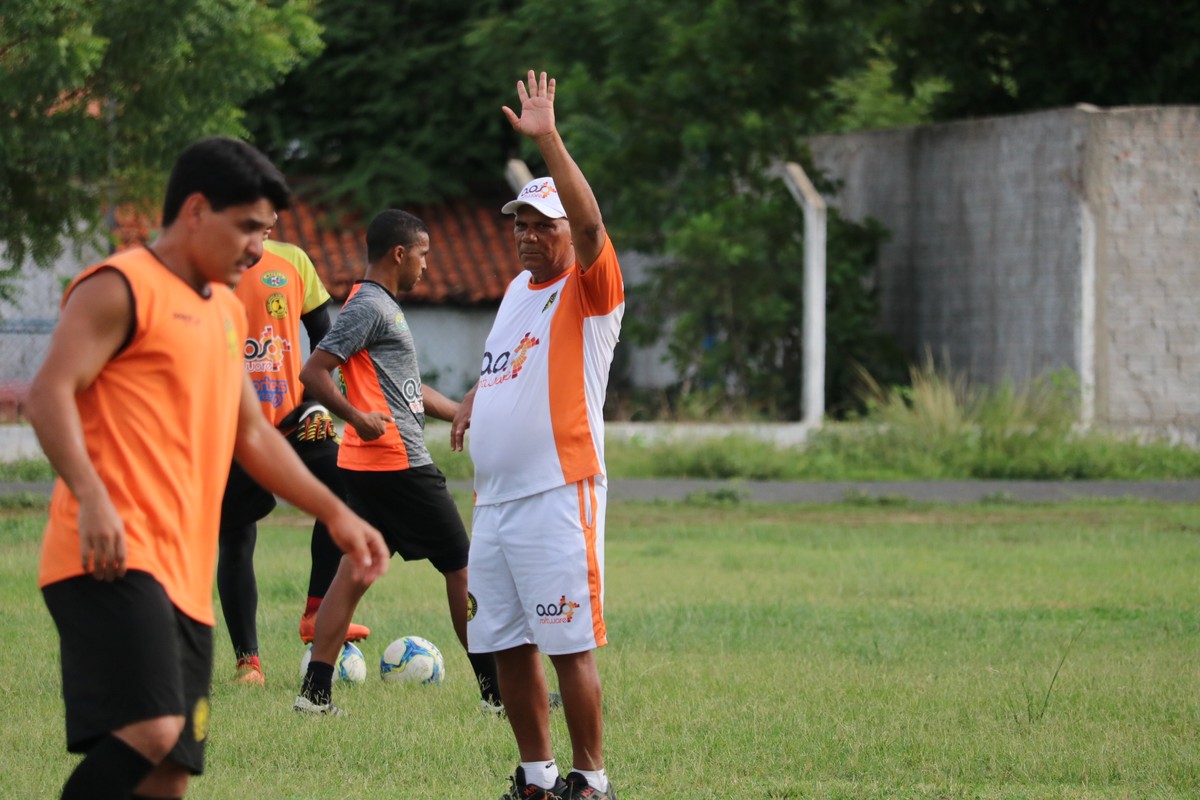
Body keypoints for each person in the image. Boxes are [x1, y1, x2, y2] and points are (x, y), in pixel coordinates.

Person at [28, 136, 389, 800]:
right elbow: (48, 395)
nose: (257, 248)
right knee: (153, 731)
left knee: (172, 770)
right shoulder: (118, 287)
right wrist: (92, 495)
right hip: (108, 553)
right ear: (196, 210)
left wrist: (337, 513)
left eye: (266, 232)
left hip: (184, 569)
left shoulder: (221, 308)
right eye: (248, 227)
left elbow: (251, 433)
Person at [450, 71, 624, 800]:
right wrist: (472, 400)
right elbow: (507, 363)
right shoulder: (519, 291)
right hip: (494, 500)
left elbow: (591, 227)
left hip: (558, 490)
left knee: (567, 644)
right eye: (518, 223)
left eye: (539, 224)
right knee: (506, 643)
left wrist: (547, 138)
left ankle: (591, 781)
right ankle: (536, 777)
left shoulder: (590, 287)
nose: (525, 235)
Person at [291, 209, 505, 717]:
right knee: (462, 569)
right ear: (399, 253)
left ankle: (314, 695)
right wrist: (355, 417)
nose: (427, 266)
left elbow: (407, 390)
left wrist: (464, 413)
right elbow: (314, 372)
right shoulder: (369, 305)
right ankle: (498, 695)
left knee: (353, 572)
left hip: (372, 465)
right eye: (423, 255)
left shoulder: (382, 307)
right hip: (397, 463)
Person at [218, 234, 370, 688]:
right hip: (230, 430)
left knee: (345, 486)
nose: (266, 219)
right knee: (237, 535)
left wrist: (317, 403)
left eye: (271, 210)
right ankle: (248, 662)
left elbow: (326, 339)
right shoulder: (204, 265)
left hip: (294, 420)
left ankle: (317, 612)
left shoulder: (293, 261)